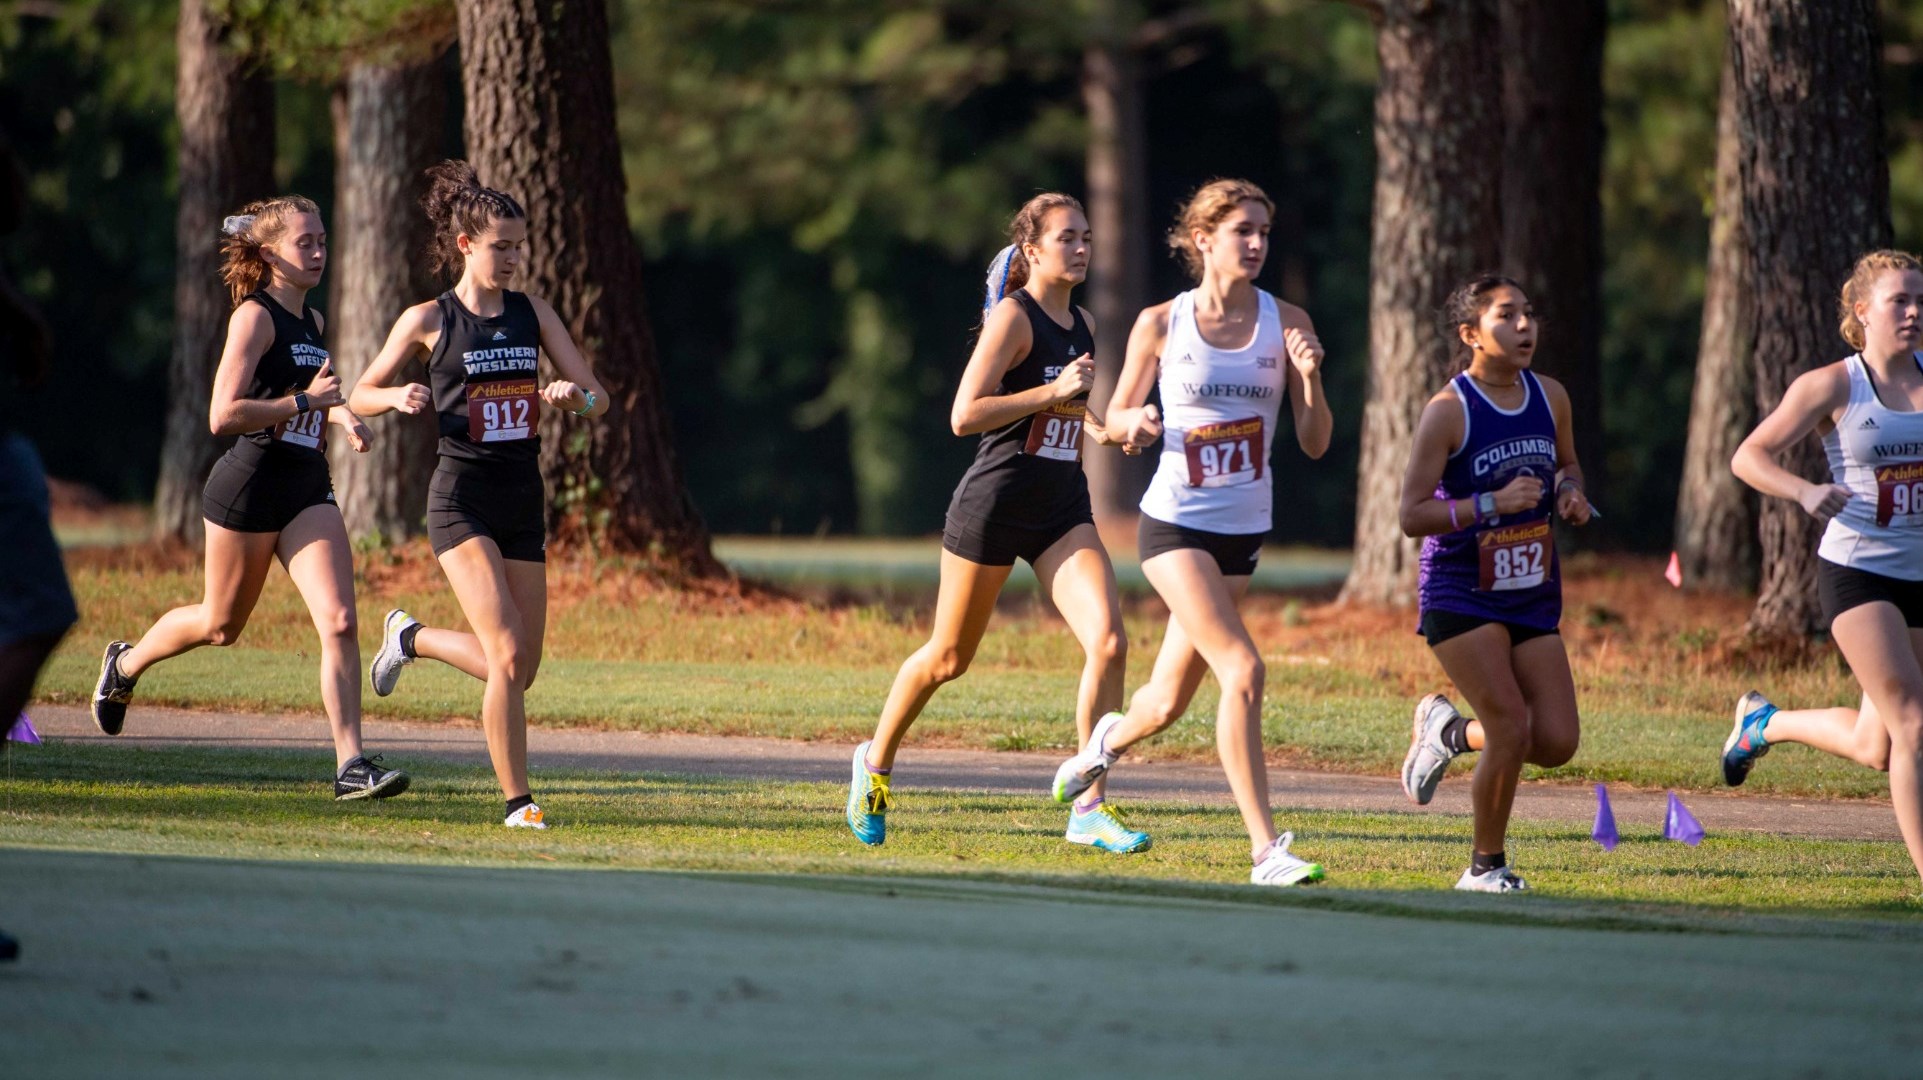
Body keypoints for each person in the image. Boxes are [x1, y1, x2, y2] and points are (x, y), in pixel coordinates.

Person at [1050, 179, 1333, 886]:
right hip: (1173, 525)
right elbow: (1109, 418)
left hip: (1243, 533)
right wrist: (1134, 425)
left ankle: (1100, 745)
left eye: (1264, 230)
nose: (1257, 243)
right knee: (1242, 669)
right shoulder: (1159, 323)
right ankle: (1266, 851)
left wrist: (1310, 378)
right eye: (1242, 230)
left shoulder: (1286, 319)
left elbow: (1318, 442)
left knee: (1168, 700)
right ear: (1202, 240)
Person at [846, 193, 1146, 853]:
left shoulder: (1087, 324)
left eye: (1086, 237)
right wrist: (1052, 390)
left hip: (1061, 510)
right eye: (1066, 237)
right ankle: (873, 766)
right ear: (1031, 250)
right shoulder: (1013, 318)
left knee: (1110, 643)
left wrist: (1113, 430)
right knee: (948, 658)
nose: (1081, 248)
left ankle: (1088, 805)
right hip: (993, 504)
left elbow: (1073, 412)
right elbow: (964, 414)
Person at [91, 196, 408, 801]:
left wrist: (342, 417)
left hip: (306, 488)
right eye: (304, 243)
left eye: (322, 240)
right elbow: (223, 414)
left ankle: (350, 767)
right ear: (269, 255)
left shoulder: (312, 323)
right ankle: (125, 666)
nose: (318, 252)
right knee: (219, 625)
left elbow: (318, 391)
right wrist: (308, 405)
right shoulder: (253, 318)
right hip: (248, 486)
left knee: (341, 620)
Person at [351, 161, 608, 829]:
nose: (514, 257)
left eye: (520, 245)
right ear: (466, 244)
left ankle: (412, 639)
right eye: (502, 246)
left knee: (522, 669)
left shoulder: (533, 313)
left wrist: (570, 397)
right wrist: (393, 397)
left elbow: (596, 397)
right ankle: (518, 803)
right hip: (459, 498)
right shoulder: (427, 319)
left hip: (522, 497)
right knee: (506, 654)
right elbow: (359, 390)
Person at [1385, 275, 1593, 893]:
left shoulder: (1549, 395)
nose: (1525, 326)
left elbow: (1569, 462)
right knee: (1509, 726)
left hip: (1530, 589)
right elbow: (1409, 516)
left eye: (1530, 314)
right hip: (1458, 589)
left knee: (1554, 740)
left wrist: (1570, 491)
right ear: (1471, 334)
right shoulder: (1449, 410)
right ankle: (1485, 867)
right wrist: (1489, 504)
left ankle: (1449, 733)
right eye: (1508, 316)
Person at [1725, 249, 1923, 886]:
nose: (1915, 313)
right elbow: (1748, 457)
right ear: (1862, 311)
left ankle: (1765, 723)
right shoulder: (1833, 385)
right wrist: (1805, 492)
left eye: (1921, 301)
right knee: (1915, 724)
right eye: (1901, 301)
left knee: (1879, 745)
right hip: (1860, 572)